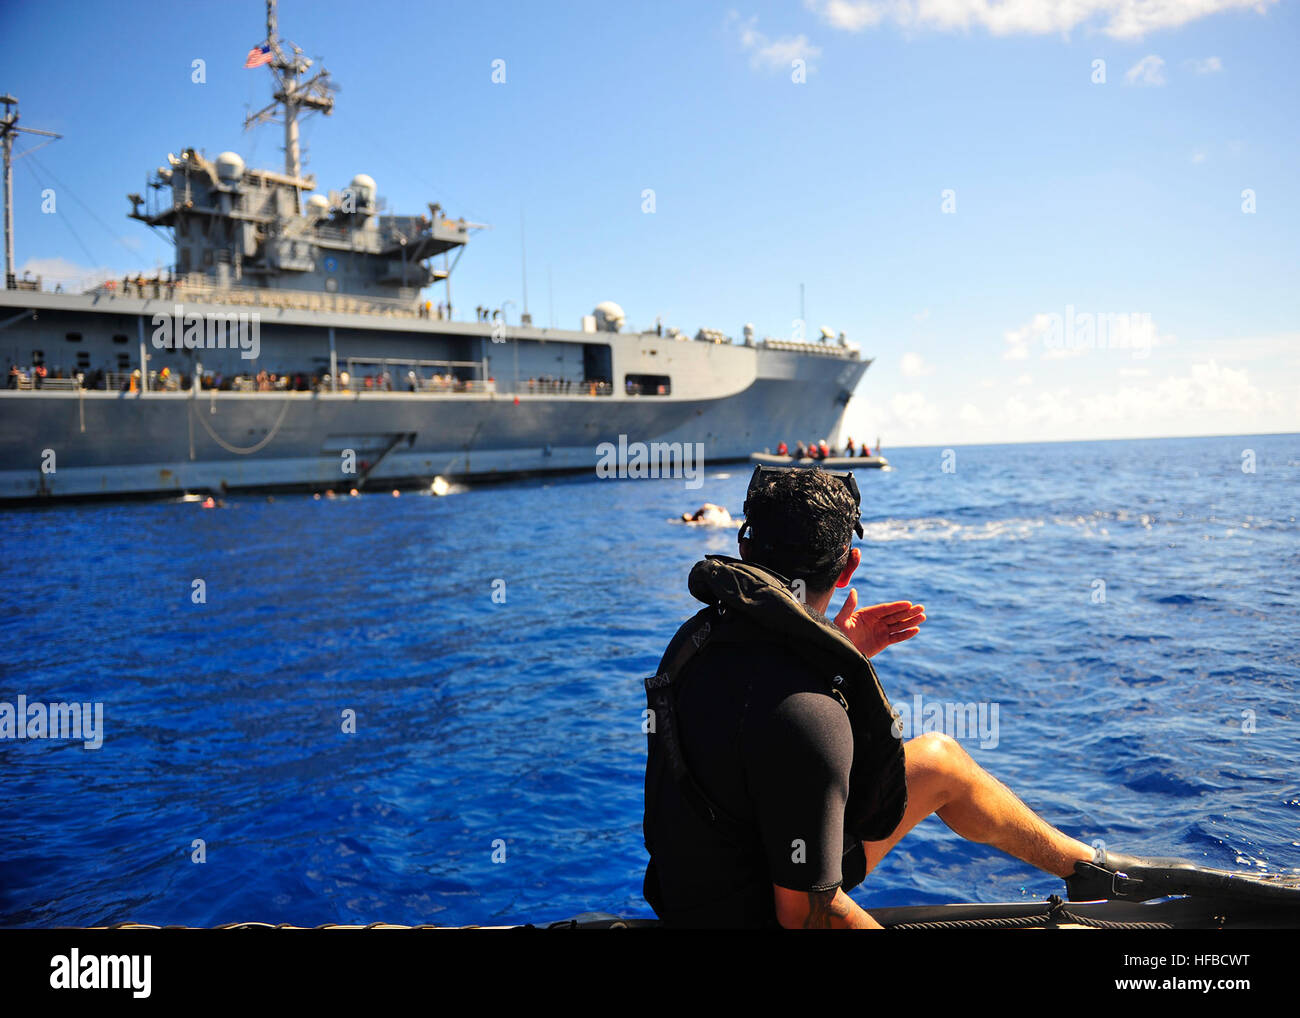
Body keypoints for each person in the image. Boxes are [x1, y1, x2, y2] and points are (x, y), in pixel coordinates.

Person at [642, 465, 1143, 928]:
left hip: (693, 888)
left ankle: (1088, 871)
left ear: (745, 551)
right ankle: (1096, 875)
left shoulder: (695, 640)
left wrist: (829, 648)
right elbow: (803, 915)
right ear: (848, 568)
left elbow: (744, 733)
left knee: (938, 761)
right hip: (759, 914)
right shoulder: (809, 714)